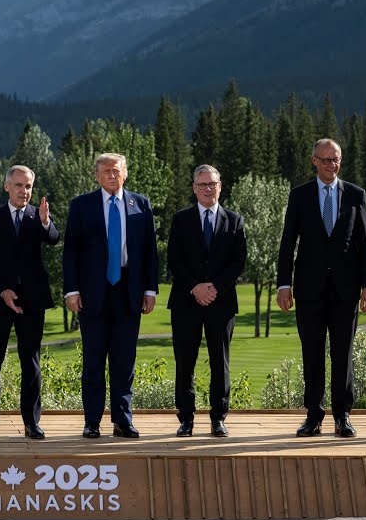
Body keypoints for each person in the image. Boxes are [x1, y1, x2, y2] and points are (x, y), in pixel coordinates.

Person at [276, 138, 366, 438]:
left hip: (346, 291)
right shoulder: (300, 195)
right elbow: (287, 243)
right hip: (309, 290)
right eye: (326, 160)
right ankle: (313, 416)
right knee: (312, 353)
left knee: (343, 354)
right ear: (314, 161)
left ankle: (342, 416)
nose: (332, 165)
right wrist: (284, 284)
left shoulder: (356, 195)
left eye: (336, 159)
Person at [63, 152, 159, 439]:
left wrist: (150, 290)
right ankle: (92, 421)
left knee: (124, 361)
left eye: (116, 170)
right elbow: (71, 251)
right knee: (93, 361)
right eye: (106, 171)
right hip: (92, 292)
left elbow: (150, 252)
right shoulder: (82, 205)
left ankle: (122, 421)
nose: (111, 175)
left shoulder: (141, 204)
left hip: (129, 290)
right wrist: (72, 289)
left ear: (125, 173)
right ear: (97, 175)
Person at [0, 165, 60, 440]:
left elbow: (54, 238)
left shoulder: (38, 216)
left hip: (32, 302)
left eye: (29, 186)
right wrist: (3, 292)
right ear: (7, 186)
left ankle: (32, 423)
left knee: (31, 363)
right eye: (20, 185)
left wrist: (46, 222)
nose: (25, 191)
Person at [166, 165, 246, 437]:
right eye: (202, 185)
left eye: (212, 184)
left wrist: (214, 288)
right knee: (184, 362)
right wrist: (195, 288)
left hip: (221, 303)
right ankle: (186, 419)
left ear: (220, 186)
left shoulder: (234, 220)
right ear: (194, 188)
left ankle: (218, 418)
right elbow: (173, 261)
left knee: (219, 362)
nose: (208, 189)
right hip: (186, 301)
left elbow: (238, 263)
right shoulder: (180, 220)